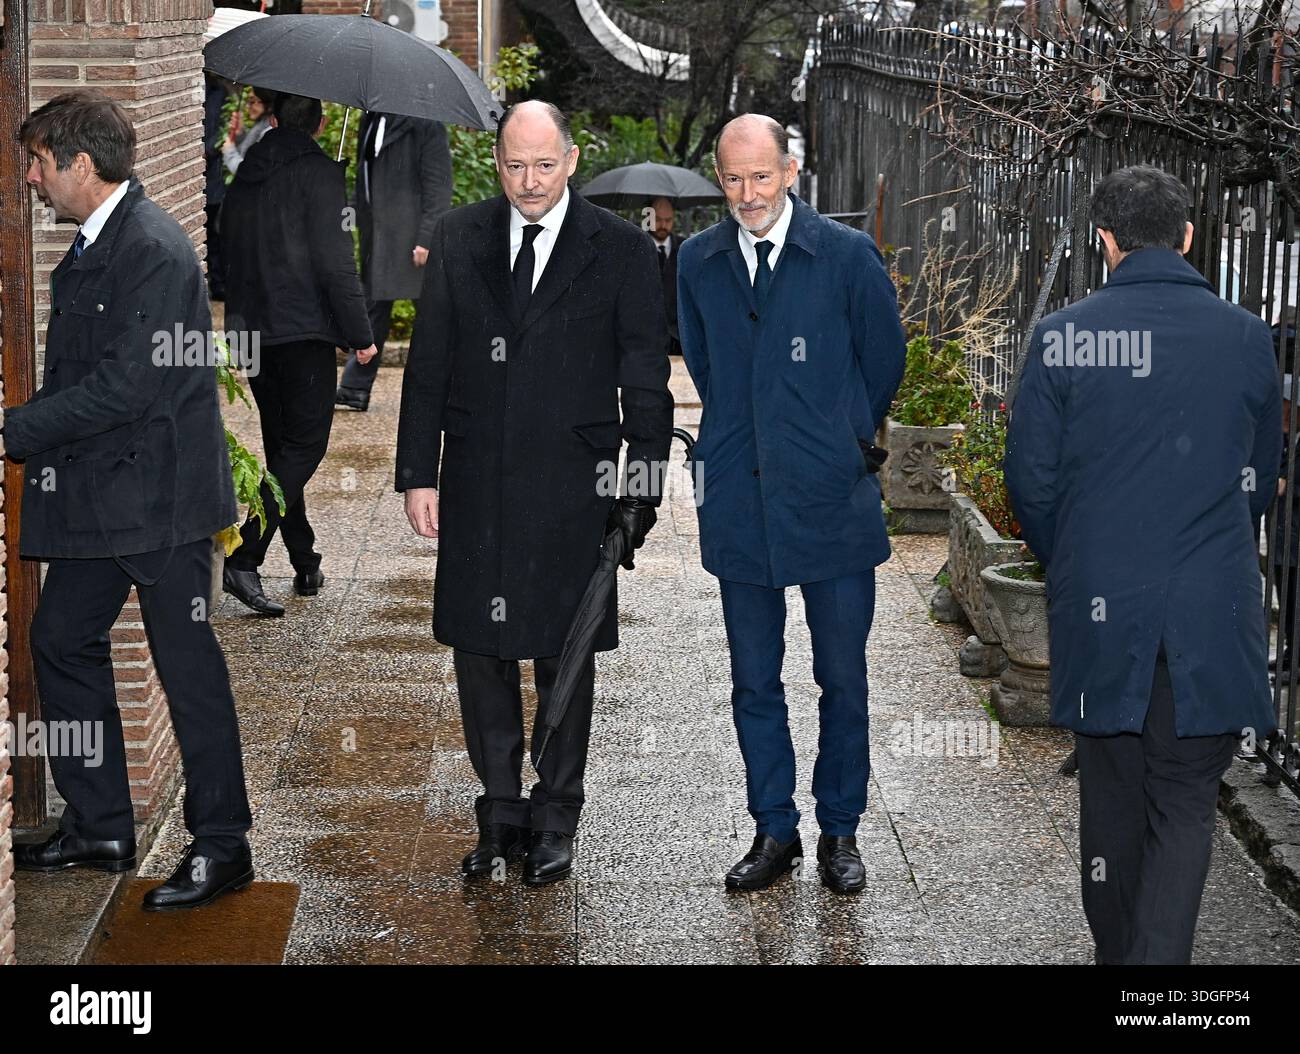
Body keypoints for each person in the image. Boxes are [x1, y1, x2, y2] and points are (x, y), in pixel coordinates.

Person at [1005, 164, 1281, 965]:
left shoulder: (1062, 336)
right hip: (1211, 610)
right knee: (1187, 807)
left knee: (1111, 805)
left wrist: (1082, 560)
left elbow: (1033, 482)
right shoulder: (1245, 335)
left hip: (1102, 612)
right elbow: (1256, 478)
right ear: (1189, 236)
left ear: (1104, 240)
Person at [397, 100, 673, 886]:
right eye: (515, 165)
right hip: (477, 480)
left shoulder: (619, 250)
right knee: (480, 654)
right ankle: (498, 814)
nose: (528, 181)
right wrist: (419, 471)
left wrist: (640, 495)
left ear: (573, 158)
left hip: (573, 488)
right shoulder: (457, 236)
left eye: (544, 166)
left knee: (565, 652)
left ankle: (556, 816)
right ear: (497, 159)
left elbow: (645, 385)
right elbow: (430, 364)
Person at [9, 90, 255, 910]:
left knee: (190, 673)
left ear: (82, 165)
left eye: (40, 163)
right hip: (106, 501)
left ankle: (224, 848)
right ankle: (101, 823)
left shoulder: (151, 246)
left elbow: (125, 388)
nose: (32, 179)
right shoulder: (97, 240)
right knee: (61, 637)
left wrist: (14, 429)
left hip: (163, 505)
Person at [675, 114, 905, 894]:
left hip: (832, 502)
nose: (747, 193)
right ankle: (774, 830)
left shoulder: (846, 257)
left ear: (791, 171)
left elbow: (883, 361)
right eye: (733, 179)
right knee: (753, 681)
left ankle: (840, 829)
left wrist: (838, 441)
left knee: (842, 678)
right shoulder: (696, 261)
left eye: (761, 176)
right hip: (741, 501)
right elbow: (704, 365)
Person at [219, 92, 377, 616]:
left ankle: (304, 558)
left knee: (284, 454)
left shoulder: (247, 172)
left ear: (273, 117)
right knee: (302, 451)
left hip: (256, 332)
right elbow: (336, 265)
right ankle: (244, 558)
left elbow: (226, 246)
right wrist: (360, 333)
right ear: (323, 120)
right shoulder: (321, 175)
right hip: (303, 332)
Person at [335, 111, 452, 411]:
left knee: (434, 317)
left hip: (412, 238)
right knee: (372, 310)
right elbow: (366, 176)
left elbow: (438, 186)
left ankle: (455, 385)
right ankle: (354, 388)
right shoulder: (371, 118)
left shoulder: (426, 123)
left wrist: (427, 238)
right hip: (379, 235)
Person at [649, 196, 684, 356]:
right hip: (646, 339)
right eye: (658, 219)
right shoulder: (635, 247)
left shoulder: (686, 248)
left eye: (668, 220)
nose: (663, 225)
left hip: (680, 340)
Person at [222, 86, 275, 176]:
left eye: (252, 101)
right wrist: (240, 133)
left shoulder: (268, 132)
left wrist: (229, 152)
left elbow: (250, 171)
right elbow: (246, 152)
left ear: (268, 104)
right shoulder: (261, 124)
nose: (248, 106)